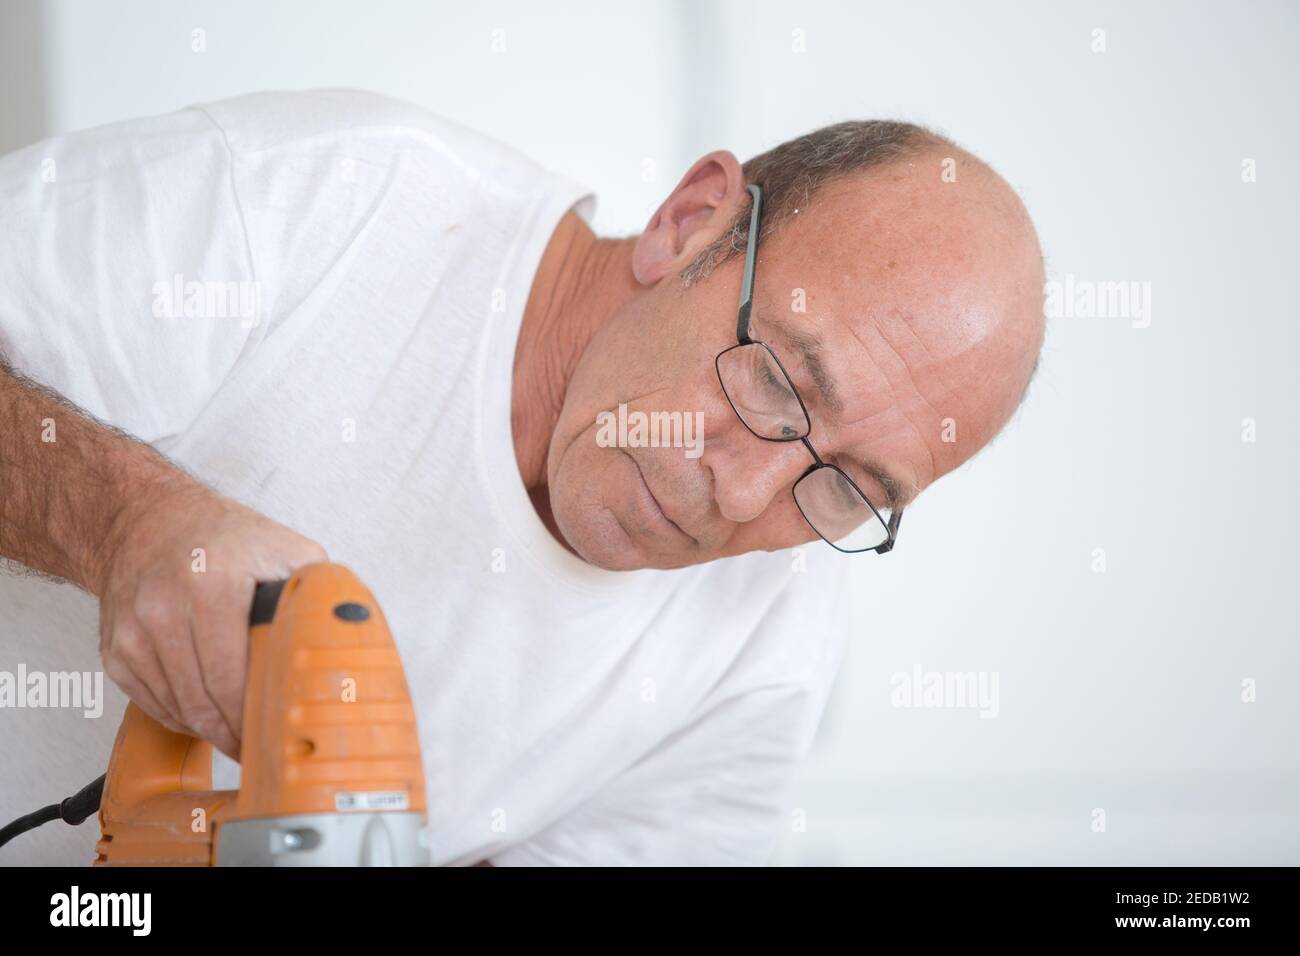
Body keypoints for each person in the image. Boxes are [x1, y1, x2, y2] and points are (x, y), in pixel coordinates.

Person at [0, 88, 1044, 865]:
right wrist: (122, 519)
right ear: (691, 224)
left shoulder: (766, 644)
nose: (738, 495)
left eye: (851, 486)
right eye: (774, 380)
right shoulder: (324, 203)